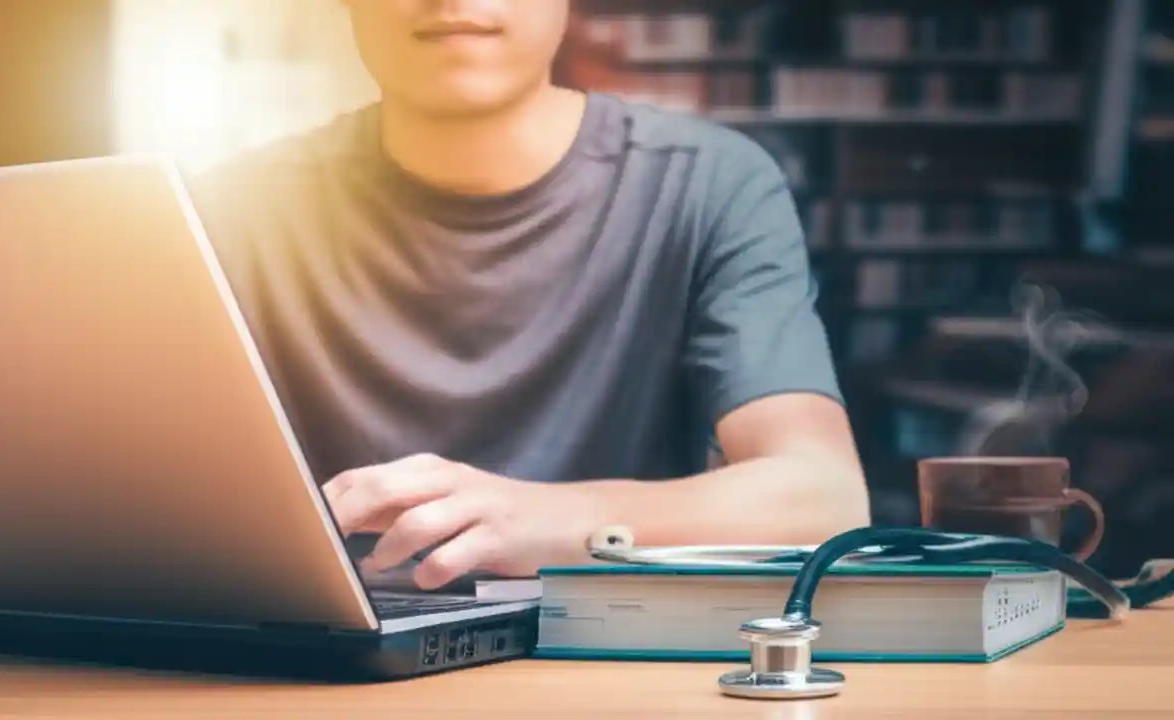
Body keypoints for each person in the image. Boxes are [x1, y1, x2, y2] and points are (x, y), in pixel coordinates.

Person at [189, 0, 870, 591]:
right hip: (316, 676)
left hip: (605, 653)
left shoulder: (708, 185)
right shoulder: (231, 210)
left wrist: (554, 519)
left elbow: (822, 496)